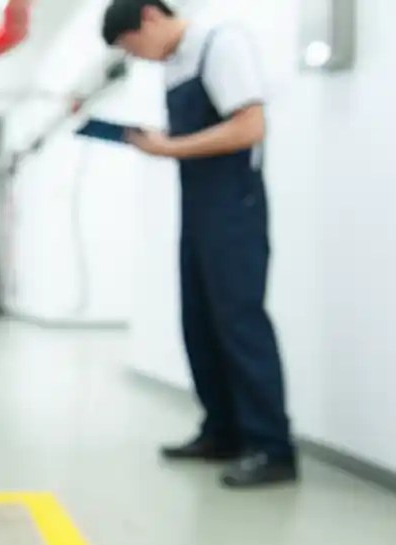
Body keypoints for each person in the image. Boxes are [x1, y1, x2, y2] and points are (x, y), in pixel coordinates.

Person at [102, 0, 297, 488]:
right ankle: (223, 431)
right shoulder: (175, 64)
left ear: (149, 17)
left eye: (133, 46)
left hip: (235, 205)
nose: (141, 58)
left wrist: (167, 148)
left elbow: (250, 126)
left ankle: (272, 447)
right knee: (200, 321)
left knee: (239, 322)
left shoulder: (219, 42)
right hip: (199, 207)